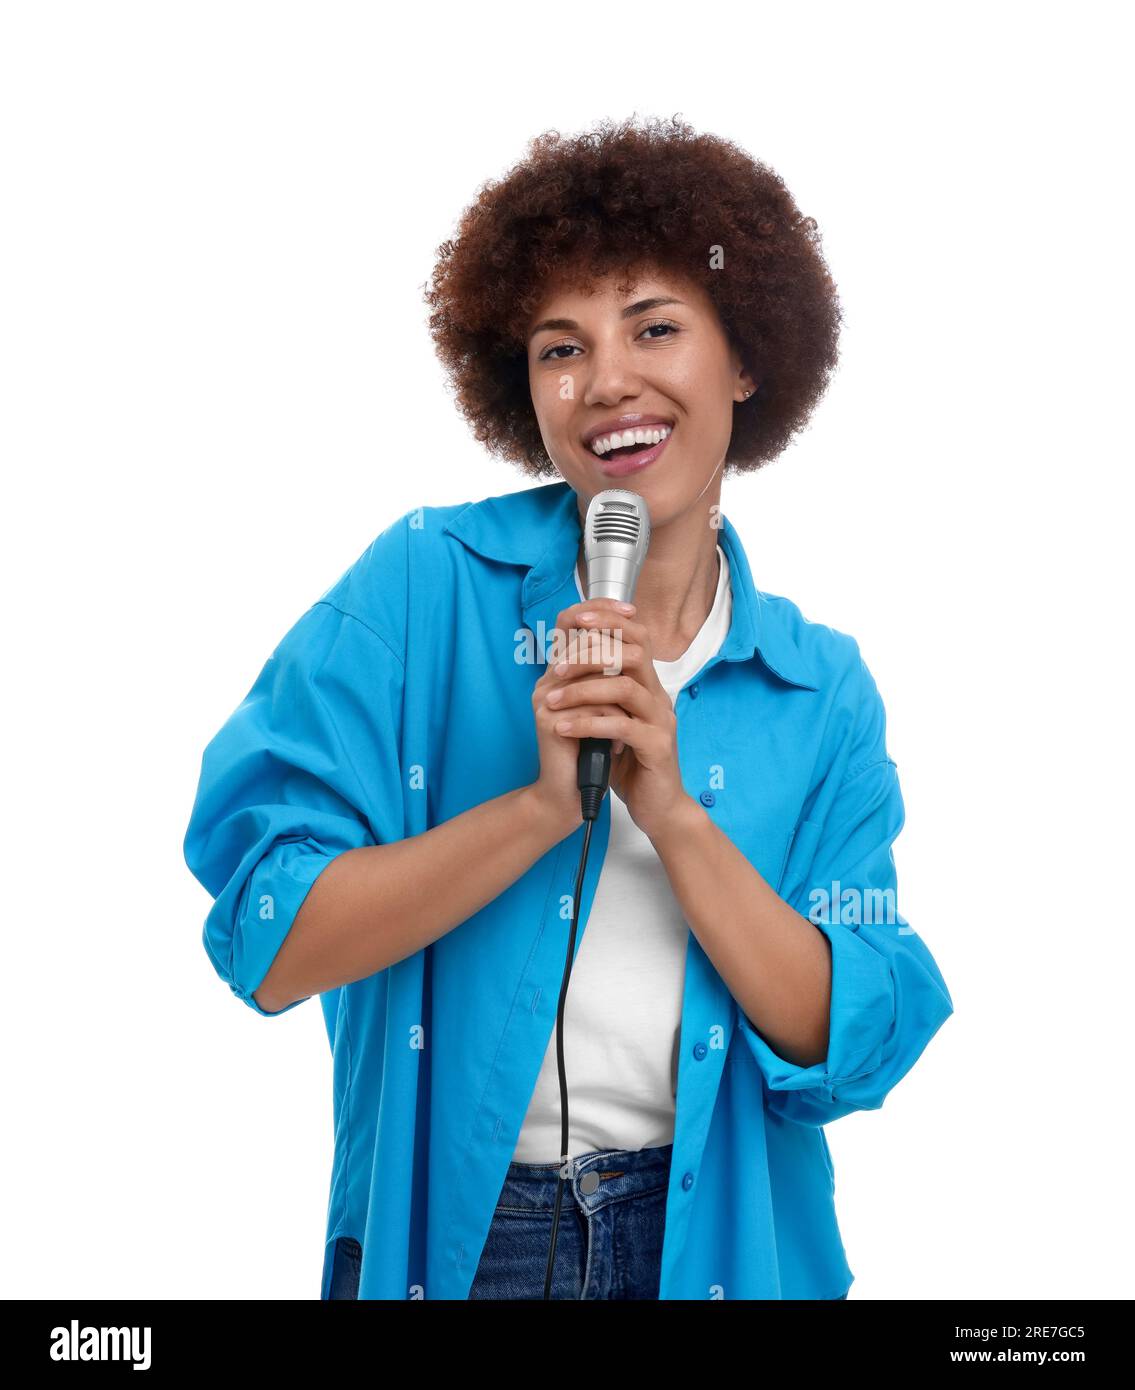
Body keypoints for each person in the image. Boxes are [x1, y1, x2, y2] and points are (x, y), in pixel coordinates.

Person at [183, 115, 953, 1301]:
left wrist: (676, 815)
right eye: (559, 348)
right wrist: (543, 807)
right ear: (521, 389)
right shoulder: (424, 586)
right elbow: (267, 938)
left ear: (745, 357)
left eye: (655, 327)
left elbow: (842, 1043)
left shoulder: (820, 687)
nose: (607, 383)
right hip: (468, 1237)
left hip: (716, 1246)